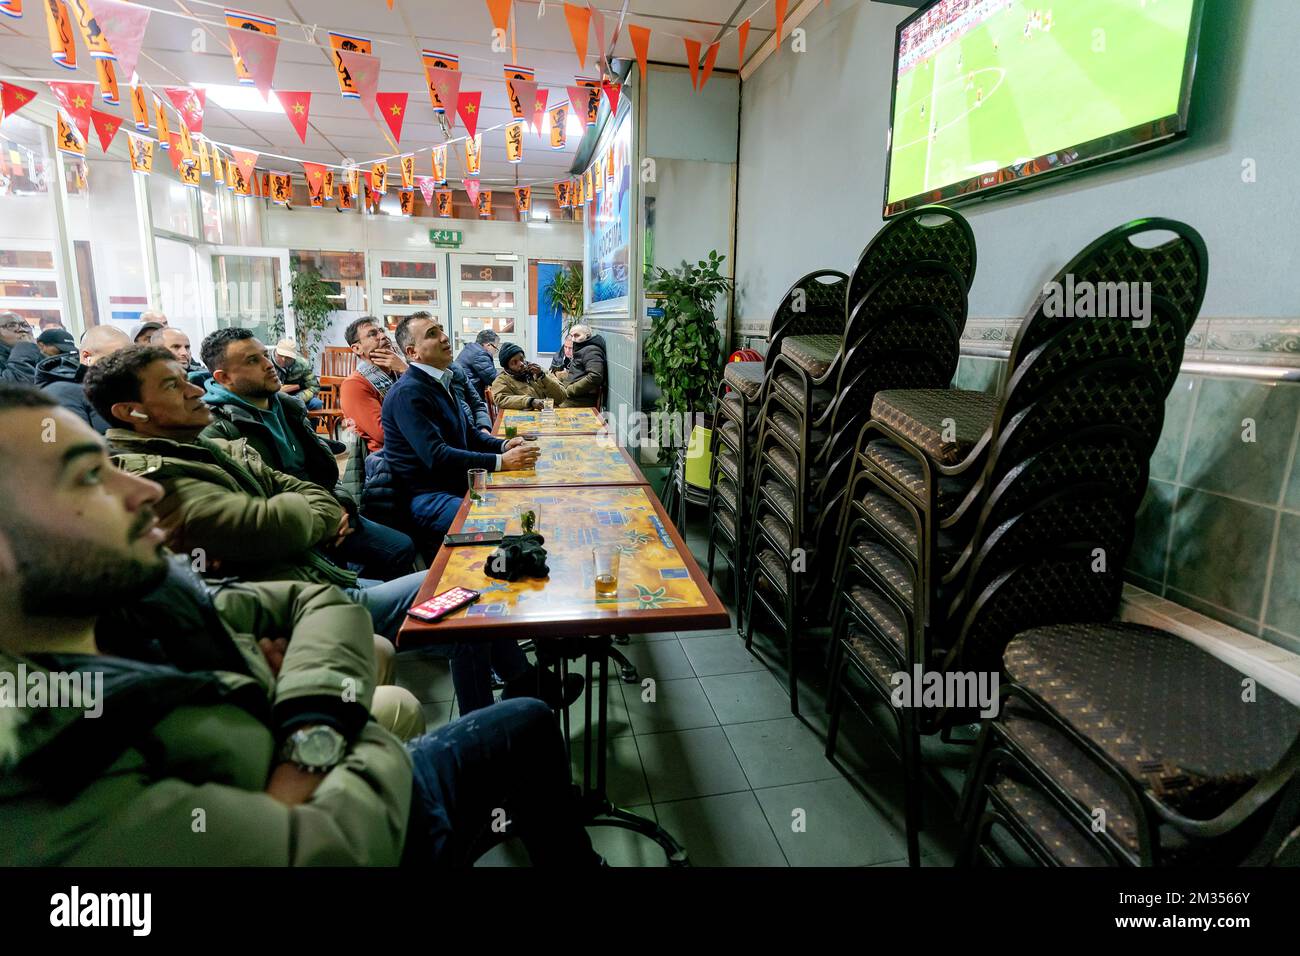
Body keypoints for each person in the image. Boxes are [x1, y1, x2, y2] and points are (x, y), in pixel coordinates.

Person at [0, 383, 601, 866]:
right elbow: (327, 843)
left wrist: (304, 708)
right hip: (352, 807)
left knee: (460, 604)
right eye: (86, 476)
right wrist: (313, 741)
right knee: (522, 717)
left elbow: (319, 600)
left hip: (299, 725)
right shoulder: (42, 760)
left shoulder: (145, 596)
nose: (138, 491)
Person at [85, 348, 573, 712]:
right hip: (294, 599)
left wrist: (321, 506)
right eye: (173, 386)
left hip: (320, 571)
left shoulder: (209, 444)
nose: (192, 389)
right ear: (132, 412)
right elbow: (269, 525)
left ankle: (516, 682)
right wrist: (311, 514)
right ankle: (490, 717)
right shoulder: (150, 477)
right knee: (469, 594)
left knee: (466, 592)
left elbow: (315, 478)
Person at [198, 328, 416, 583]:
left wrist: (342, 505)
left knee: (401, 547)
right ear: (224, 377)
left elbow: (325, 470)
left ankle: (379, 607)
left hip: (330, 508)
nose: (268, 365)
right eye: (252, 361)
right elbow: (250, 506)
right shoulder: (218, 430)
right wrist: (319, 521)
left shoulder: (288, 407)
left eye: (264, 356)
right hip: (288, 530)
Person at [383, 315, 541, 545]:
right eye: (432, 334)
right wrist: (501, 461)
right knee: (504, 528)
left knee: (523, 505)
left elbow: (469, 434)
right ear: (412, 352)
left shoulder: (441, 381)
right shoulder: (408, 393)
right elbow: (437, 456)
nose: (445, 338)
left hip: (457, 483)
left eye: (441, 330)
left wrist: (503, 444)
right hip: (428, 496)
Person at [36, 324, 130, 434]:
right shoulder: (60, 392)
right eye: (115, 359)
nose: (125, 365)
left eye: (129, 358)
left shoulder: (121, 385)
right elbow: (64, 446)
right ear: (86, 357)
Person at [340, 315, 408, 453]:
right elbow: (384, 433)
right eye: (372, 334)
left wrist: (405, 370)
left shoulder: (399, 371)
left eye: (382, 330)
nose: (383, 336)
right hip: (390, 460)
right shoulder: (354, 384)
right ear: (357, 348)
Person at [491, 342, 569, 411]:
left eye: (522, 359)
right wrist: (529, 401)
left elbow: (562, 397)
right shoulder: (502, 380)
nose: (521, 363)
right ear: (507, 367)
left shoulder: (537, 370)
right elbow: (501, 399)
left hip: (548, 415)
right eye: (514, 362)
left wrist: (542, 377)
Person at [558, 324, 607, 408]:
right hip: (573, 397)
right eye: (571, 336)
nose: (573, 339)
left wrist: (570, 390)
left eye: (577, 335)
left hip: (579, 400)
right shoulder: (582, 348)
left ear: (587, 336)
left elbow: (595, 376)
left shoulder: (591, 350)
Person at [271, 338, 323, 410]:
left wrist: (297, 399)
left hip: (298, 397)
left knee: (317, 403)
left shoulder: (302, 364)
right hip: (275, 399)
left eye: (288, 357)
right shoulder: (266, 364)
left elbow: (314, 387)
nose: (283, 359)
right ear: (276, 352)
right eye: (281, 355)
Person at [454, 328, 499, 399]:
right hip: (468, 396)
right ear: (488, 345)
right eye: (495, 348)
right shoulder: (480, 354)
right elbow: (493, 378)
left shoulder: (471, 348)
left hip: (463, 391)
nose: (495, 351)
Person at [0, 313, 41, 384]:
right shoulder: (26, 351)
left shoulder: (40, 354)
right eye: (11, 325)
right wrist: (24, 349)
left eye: (25, 325)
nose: (22, 329)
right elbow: (15, 389)